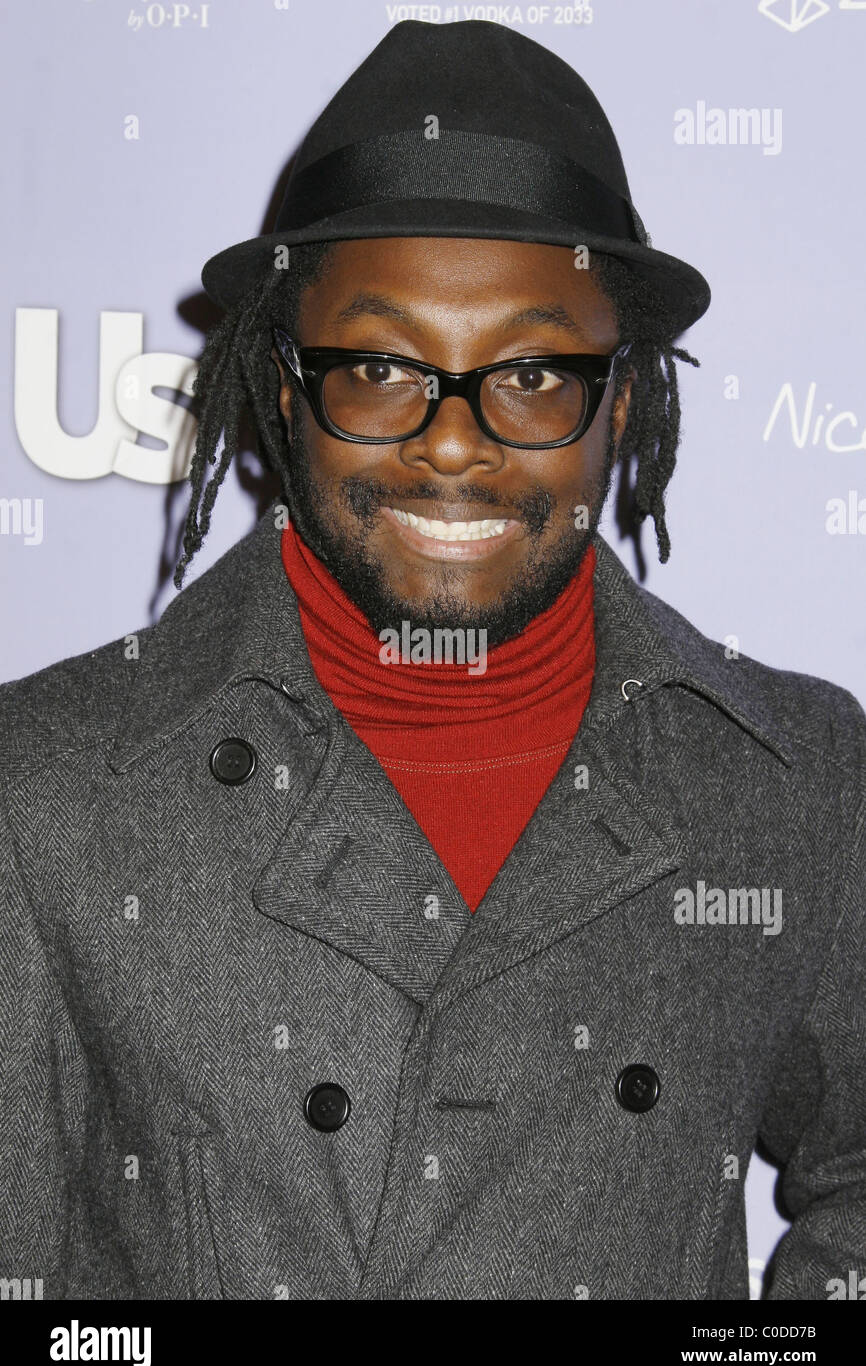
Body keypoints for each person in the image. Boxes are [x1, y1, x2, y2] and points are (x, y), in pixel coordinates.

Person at [0, 19, 863, 1301]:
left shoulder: (792, 781)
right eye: (380, 367)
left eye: (528, 373)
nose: (451, 445)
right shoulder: (52, 785)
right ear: (283, 391)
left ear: (619, 401)